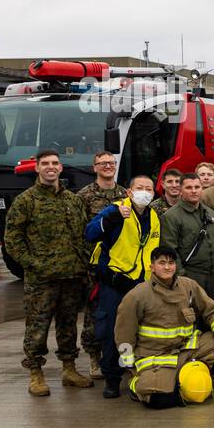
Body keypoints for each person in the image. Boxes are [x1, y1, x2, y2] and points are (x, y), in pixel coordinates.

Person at [4, 150, 93, 396]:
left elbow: (84, 233)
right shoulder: (26, 201)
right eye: (45, 164)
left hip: (72, 275)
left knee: (68, 325)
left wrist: (83, 261)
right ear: (37, 168)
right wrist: (32, 264)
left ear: (61, 168)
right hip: (42, 279)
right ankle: (36, 374)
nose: (50, 167)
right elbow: (12, 239)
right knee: (37, 327)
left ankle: (69, 369)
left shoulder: (73, 201)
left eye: (54, 163)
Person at [115, 245, 214, 408]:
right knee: (158, 401)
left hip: (187, 348)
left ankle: (187, 375)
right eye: (162, 263)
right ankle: (137, 384)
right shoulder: (137, 296)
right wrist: (131, 367)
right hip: (155, 356)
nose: (167, 267)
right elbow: (124, 334)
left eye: (171, 263)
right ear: (152, 267)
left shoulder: (188, 286)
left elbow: (213, 310)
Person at [85, 174, 160, 398]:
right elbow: (90, 233)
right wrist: (112, 219)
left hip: (142, 285)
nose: (144, 192)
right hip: (114, 283)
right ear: (129, 191)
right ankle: (112, 378)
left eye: (149, 189)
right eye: (140, 188)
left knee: (141, 332)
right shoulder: (115, 210)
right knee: (112, 332)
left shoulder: (154, 216)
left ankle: (135, 372)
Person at [76, 151, 127, 379]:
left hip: (120, 266)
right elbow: (79, 232)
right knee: (94, 315)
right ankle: (94, 357)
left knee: (121, 313)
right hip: (93, 266)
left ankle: (120, 357)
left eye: (111, 163)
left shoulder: (125, 194)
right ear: (94, 167)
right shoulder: (84, 196)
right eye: (103, 163)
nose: (108, 166)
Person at [160, 173, 214, 300]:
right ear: (180, 190)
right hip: (190, 274)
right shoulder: (171, 216)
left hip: (212, 274)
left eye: (197, 187)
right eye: (189, 188)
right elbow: (170, 250)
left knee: (213, 313)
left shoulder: (209, 212)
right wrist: (182, 276)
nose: (194, 191)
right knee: (192, 314)